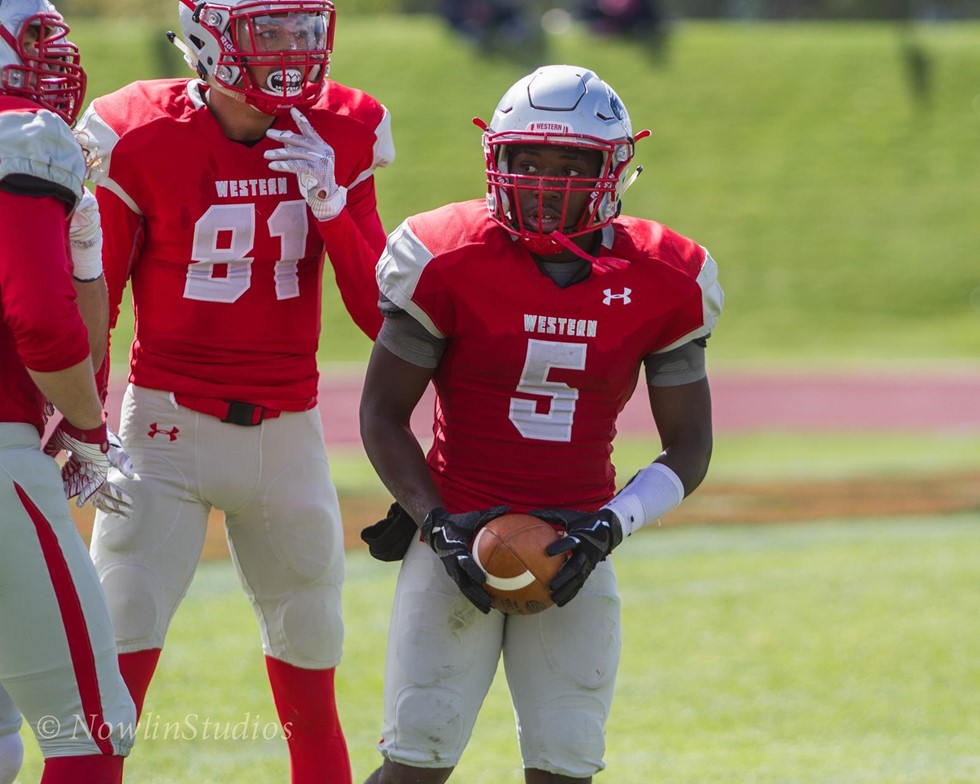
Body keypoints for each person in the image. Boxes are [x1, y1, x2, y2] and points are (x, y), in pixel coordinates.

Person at [358, 64, 723, 783]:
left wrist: (608, 526)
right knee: (416, 759)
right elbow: (382, 414)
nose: (546, 183)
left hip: (575, 543)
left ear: (612, 171)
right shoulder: (447, 255)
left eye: (571, 166)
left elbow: (690, 444)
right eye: (528, 160)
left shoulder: (664, 275)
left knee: (566, 765)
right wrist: (439, 526)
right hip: (456, 532)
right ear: (497, 158)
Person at [72, 1, 394, 781]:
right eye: (268, 30)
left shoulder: (342, 129)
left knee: (313, 690)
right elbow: (97, 299)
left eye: (301, 28)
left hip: (288, 434)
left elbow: (381, 315)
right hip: (163, 432)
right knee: (108, 691)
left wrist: (332, 208)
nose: (292, 48)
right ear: (207, 38)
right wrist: (83, 424)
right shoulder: (137, 132)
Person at [0, 2, 138, 781]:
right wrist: (87, 428)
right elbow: (46, 327)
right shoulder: (21, 132)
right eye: (32, 40)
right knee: (90, 730)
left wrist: (82, 244)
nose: (53, 59)